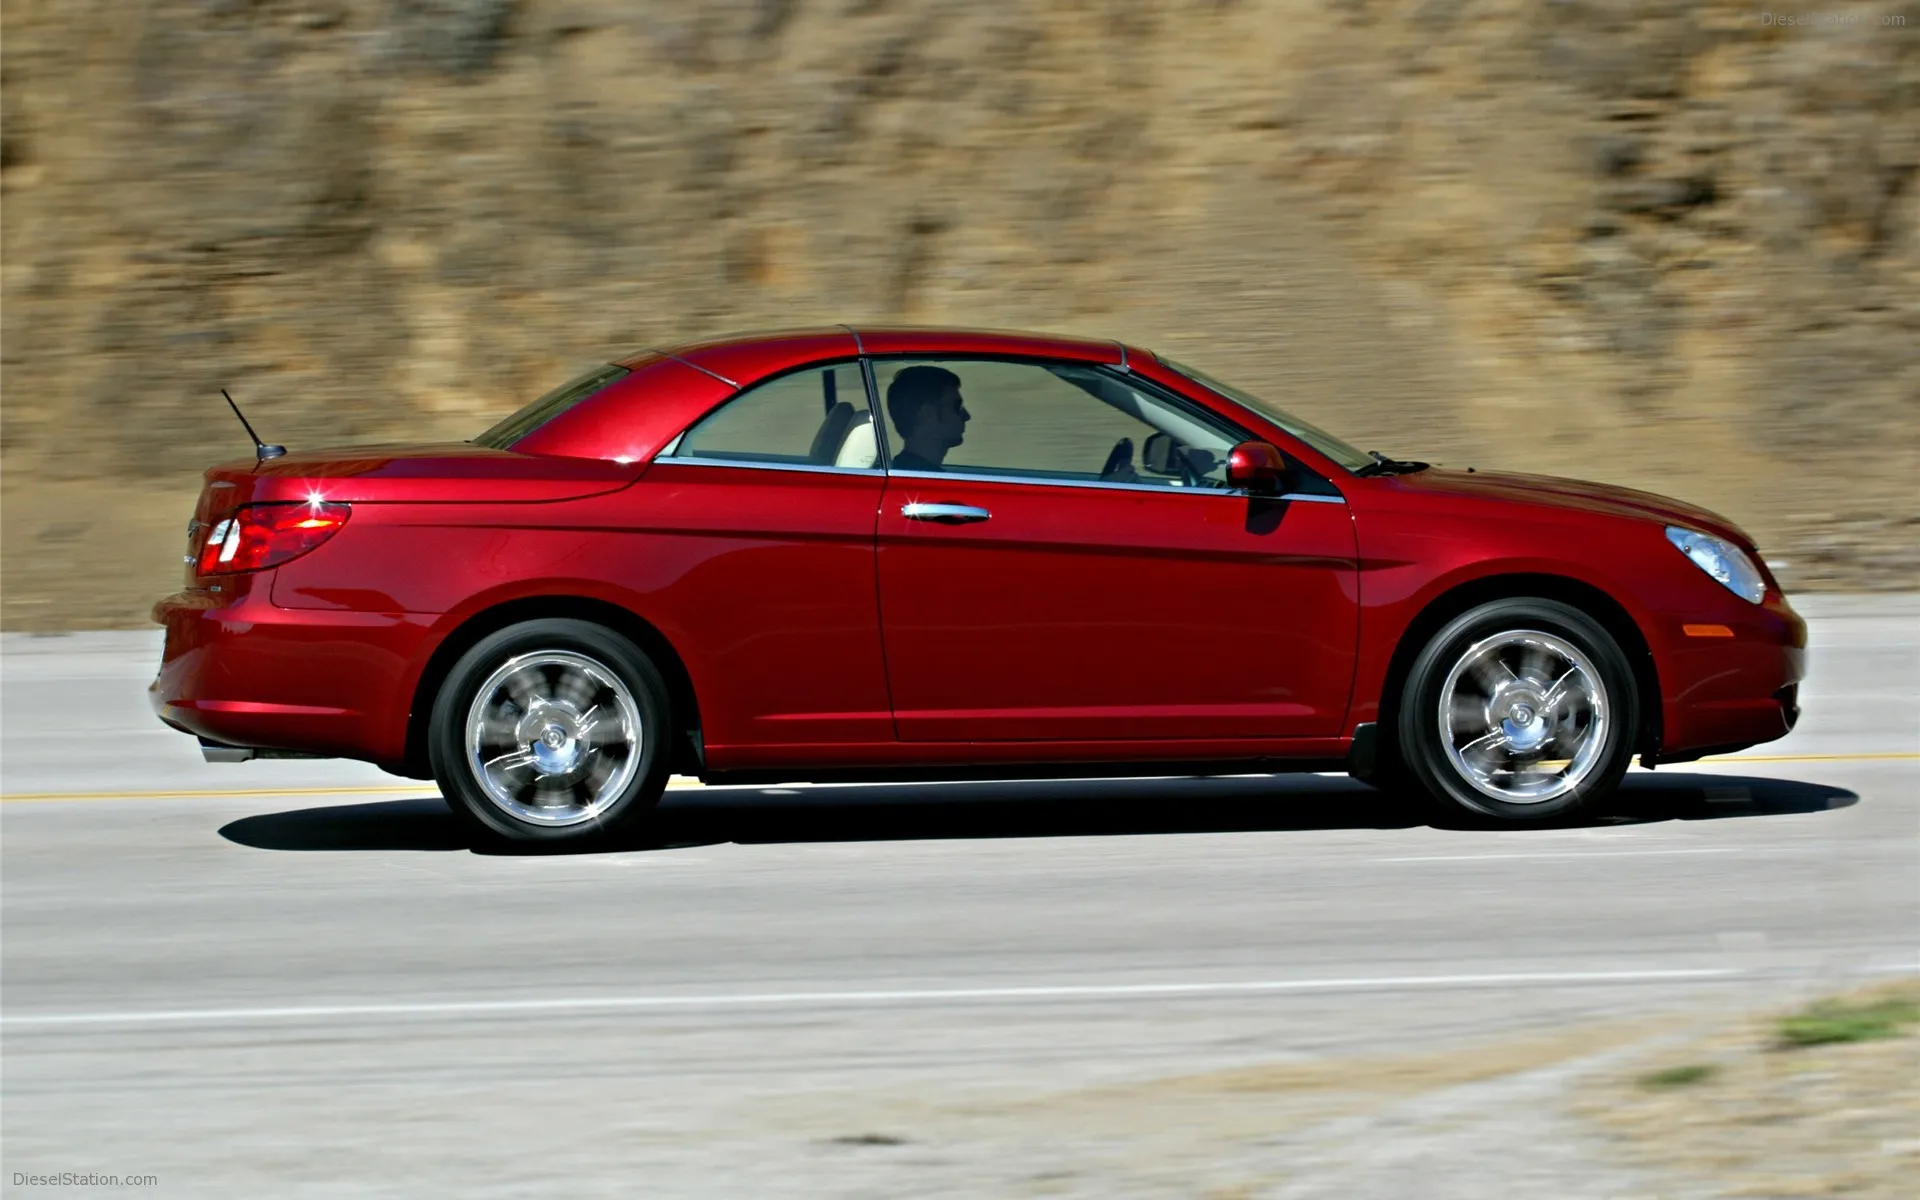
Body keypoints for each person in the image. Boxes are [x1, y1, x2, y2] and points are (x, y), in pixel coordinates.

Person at [885, 366, 970, 472]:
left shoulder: (904, 473)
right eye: (957, 406)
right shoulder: (920, 479)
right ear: (927, 413)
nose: (967, 416)